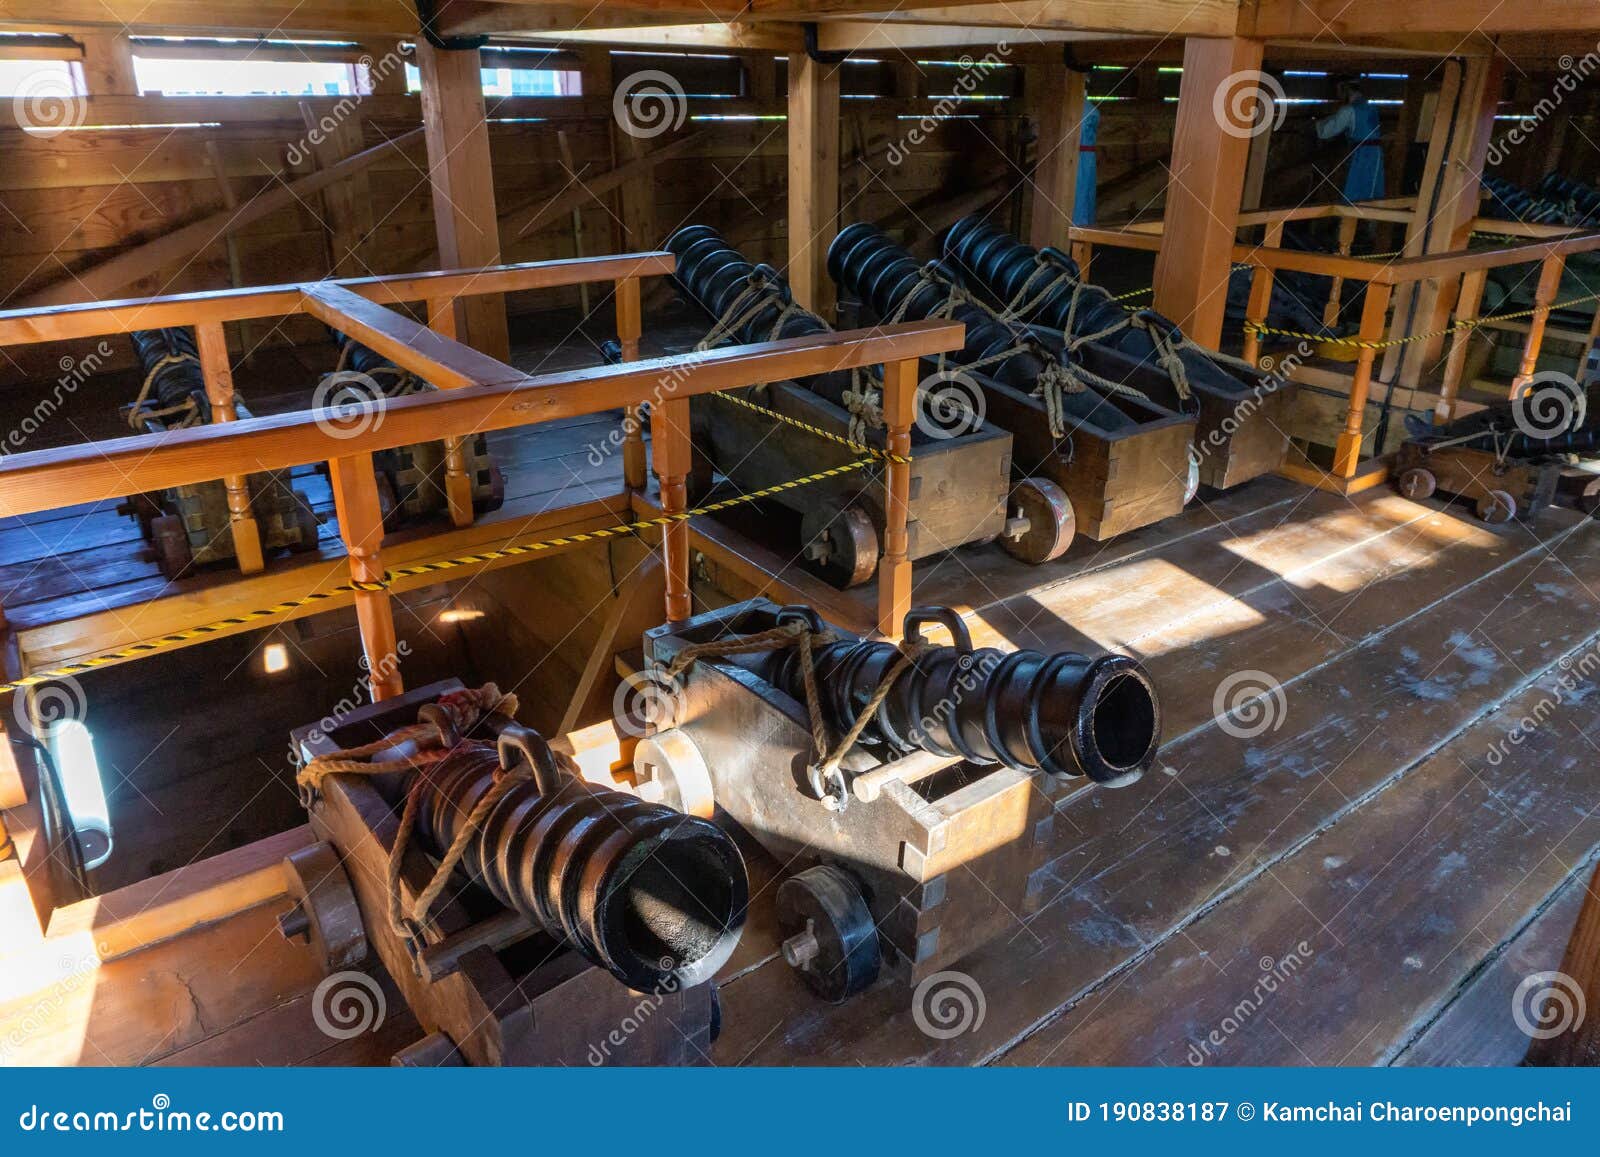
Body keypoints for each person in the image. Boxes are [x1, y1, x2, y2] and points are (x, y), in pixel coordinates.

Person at [1315, 76, 1384, 203]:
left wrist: (1315, 125)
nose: (1338, 95)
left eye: (1338, 91)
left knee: (1357, 189)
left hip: (1362, 155)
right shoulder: (1371, 108)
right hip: (1376, 154)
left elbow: (1327, 131)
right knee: (1372, 188)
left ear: (1346, 90)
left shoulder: (1349, 110)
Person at [1074, 99, 1100, 225]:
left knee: (1082, 198)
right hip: (1083, 158)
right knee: (1082, 198)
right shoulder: (1091, 110)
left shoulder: (1086, 110)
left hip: (1082, 159)